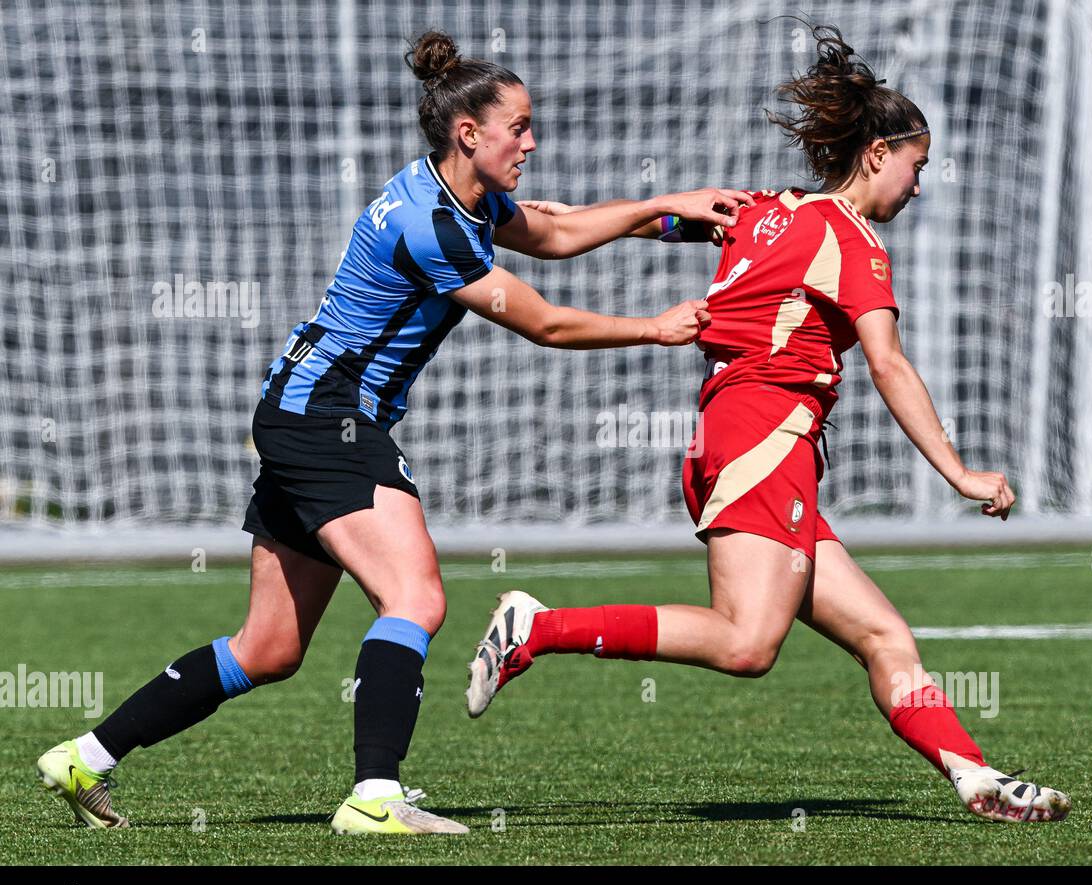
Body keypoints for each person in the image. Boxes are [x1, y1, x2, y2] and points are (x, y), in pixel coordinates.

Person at [36, 28, 754, 835]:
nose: (532, 141)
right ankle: (375, 797)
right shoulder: (433, 228)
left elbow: (554, 234)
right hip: (328, 419)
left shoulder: (450, 195)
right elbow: (545, 325)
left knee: (268, 647)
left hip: (301, 412)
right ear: (468, 133)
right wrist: (653, 329)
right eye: (518, 126)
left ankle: (85, 757)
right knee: (414, 596)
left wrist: (667, 206)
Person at [465, 23, 1071, 823]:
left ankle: (975, 778)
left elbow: (659, 222)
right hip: (763, 439)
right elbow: (889, 364)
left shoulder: (763, 210)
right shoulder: (854, 243)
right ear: (878, 153)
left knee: (885, 637)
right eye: (916, 168)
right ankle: (539, 626)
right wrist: (960, 473)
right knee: (747, 643)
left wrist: (577, 212)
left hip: (739, 439)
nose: (918, 188)